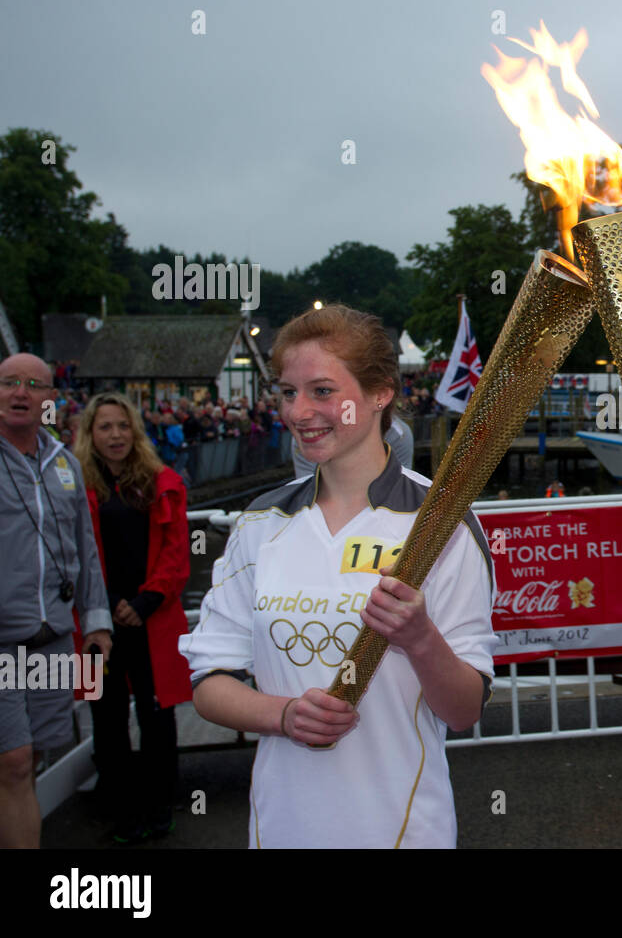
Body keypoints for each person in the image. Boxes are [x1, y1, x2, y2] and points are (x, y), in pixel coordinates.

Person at [178, 305, 496, 848]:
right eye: (287, 393)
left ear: (380, 393)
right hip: (281, 829)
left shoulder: (442, 522)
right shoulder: (261, 523)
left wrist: (420, 640)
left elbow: (463, 710)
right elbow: (210, 683)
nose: (300, 411)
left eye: (323, 391)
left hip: (402, 830)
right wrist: (283, 715)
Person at [0, 354, 113, 849]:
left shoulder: (65, 464)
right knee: (15, 759)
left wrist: (97, 623)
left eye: (33, 385)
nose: (20, 393)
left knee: (40, 753)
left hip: (53, 639)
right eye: (8, 383)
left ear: (51, 399)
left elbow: (85, 549)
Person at [73, 393, 192, 844]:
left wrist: (144, 601)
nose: (116, 435)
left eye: (123, 426)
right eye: (105, 427)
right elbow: (73, 556)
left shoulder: (161, 482)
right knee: (105, 718)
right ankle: (120, 809)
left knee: (157, 714)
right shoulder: (77, 485)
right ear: (91, 433)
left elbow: (177, 555)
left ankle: (160, 808)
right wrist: (102, 604)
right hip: (95, 622)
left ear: (135, 430)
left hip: (150, 618)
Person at [291, 411, 413, 478]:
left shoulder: (397, 434)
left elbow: (397, 493)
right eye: (289, 393)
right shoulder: (307, 435)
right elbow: (307, 496)